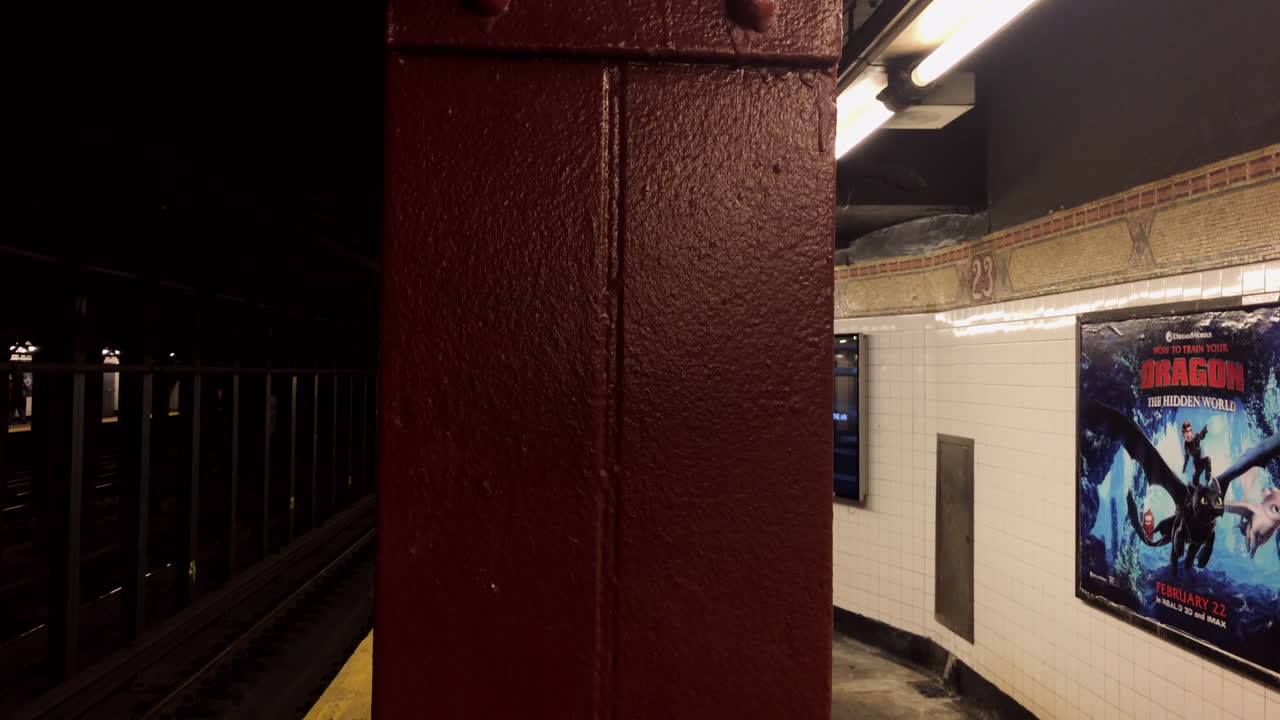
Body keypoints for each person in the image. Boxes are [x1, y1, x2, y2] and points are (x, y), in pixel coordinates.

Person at [1181, 420, 1211, 486]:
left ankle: (1207, 483)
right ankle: (1197, 487)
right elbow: (1187, 456)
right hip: (1196, 466)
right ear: (1183, 433)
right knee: (1195, 481)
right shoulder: (1185, 445)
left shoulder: (1195, 438)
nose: (1188, 434)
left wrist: (1204, 431)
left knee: (1208, 459)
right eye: (1186, 431)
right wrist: (1184, 467)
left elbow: (1201, 436)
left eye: (1190, 431)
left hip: (1202, 461)